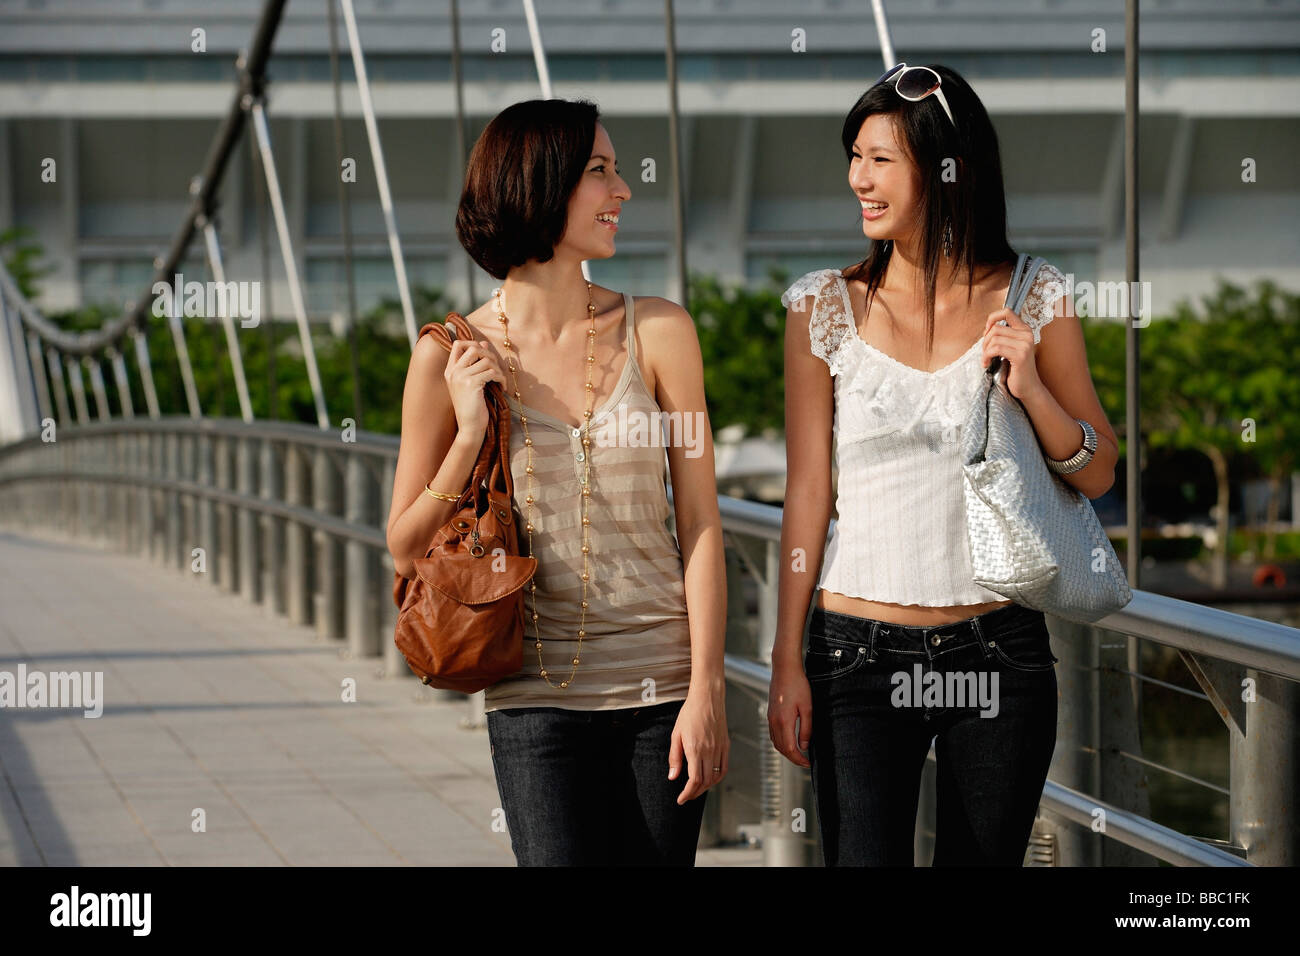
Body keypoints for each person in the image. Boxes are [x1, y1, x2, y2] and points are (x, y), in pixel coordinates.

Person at [767, 65, 1120, 866]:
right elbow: (807, 492)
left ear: (947, 165)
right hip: (853, 654)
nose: (860, 178)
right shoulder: (821, 307)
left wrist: (1031, 386)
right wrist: (787, 658)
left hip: (998, 651)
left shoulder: (1037, 296)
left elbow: (1098, 470)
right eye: (855, 155)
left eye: (882, 158)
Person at [386, 98, 728, 866]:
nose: (623, 191)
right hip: (533, 700)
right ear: (538, 187)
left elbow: (703, 523)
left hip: (661, 693)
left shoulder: (662, 332)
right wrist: (469, 435)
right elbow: (405, 547)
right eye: (599, 172)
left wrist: (708, 688)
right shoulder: (446, 355)